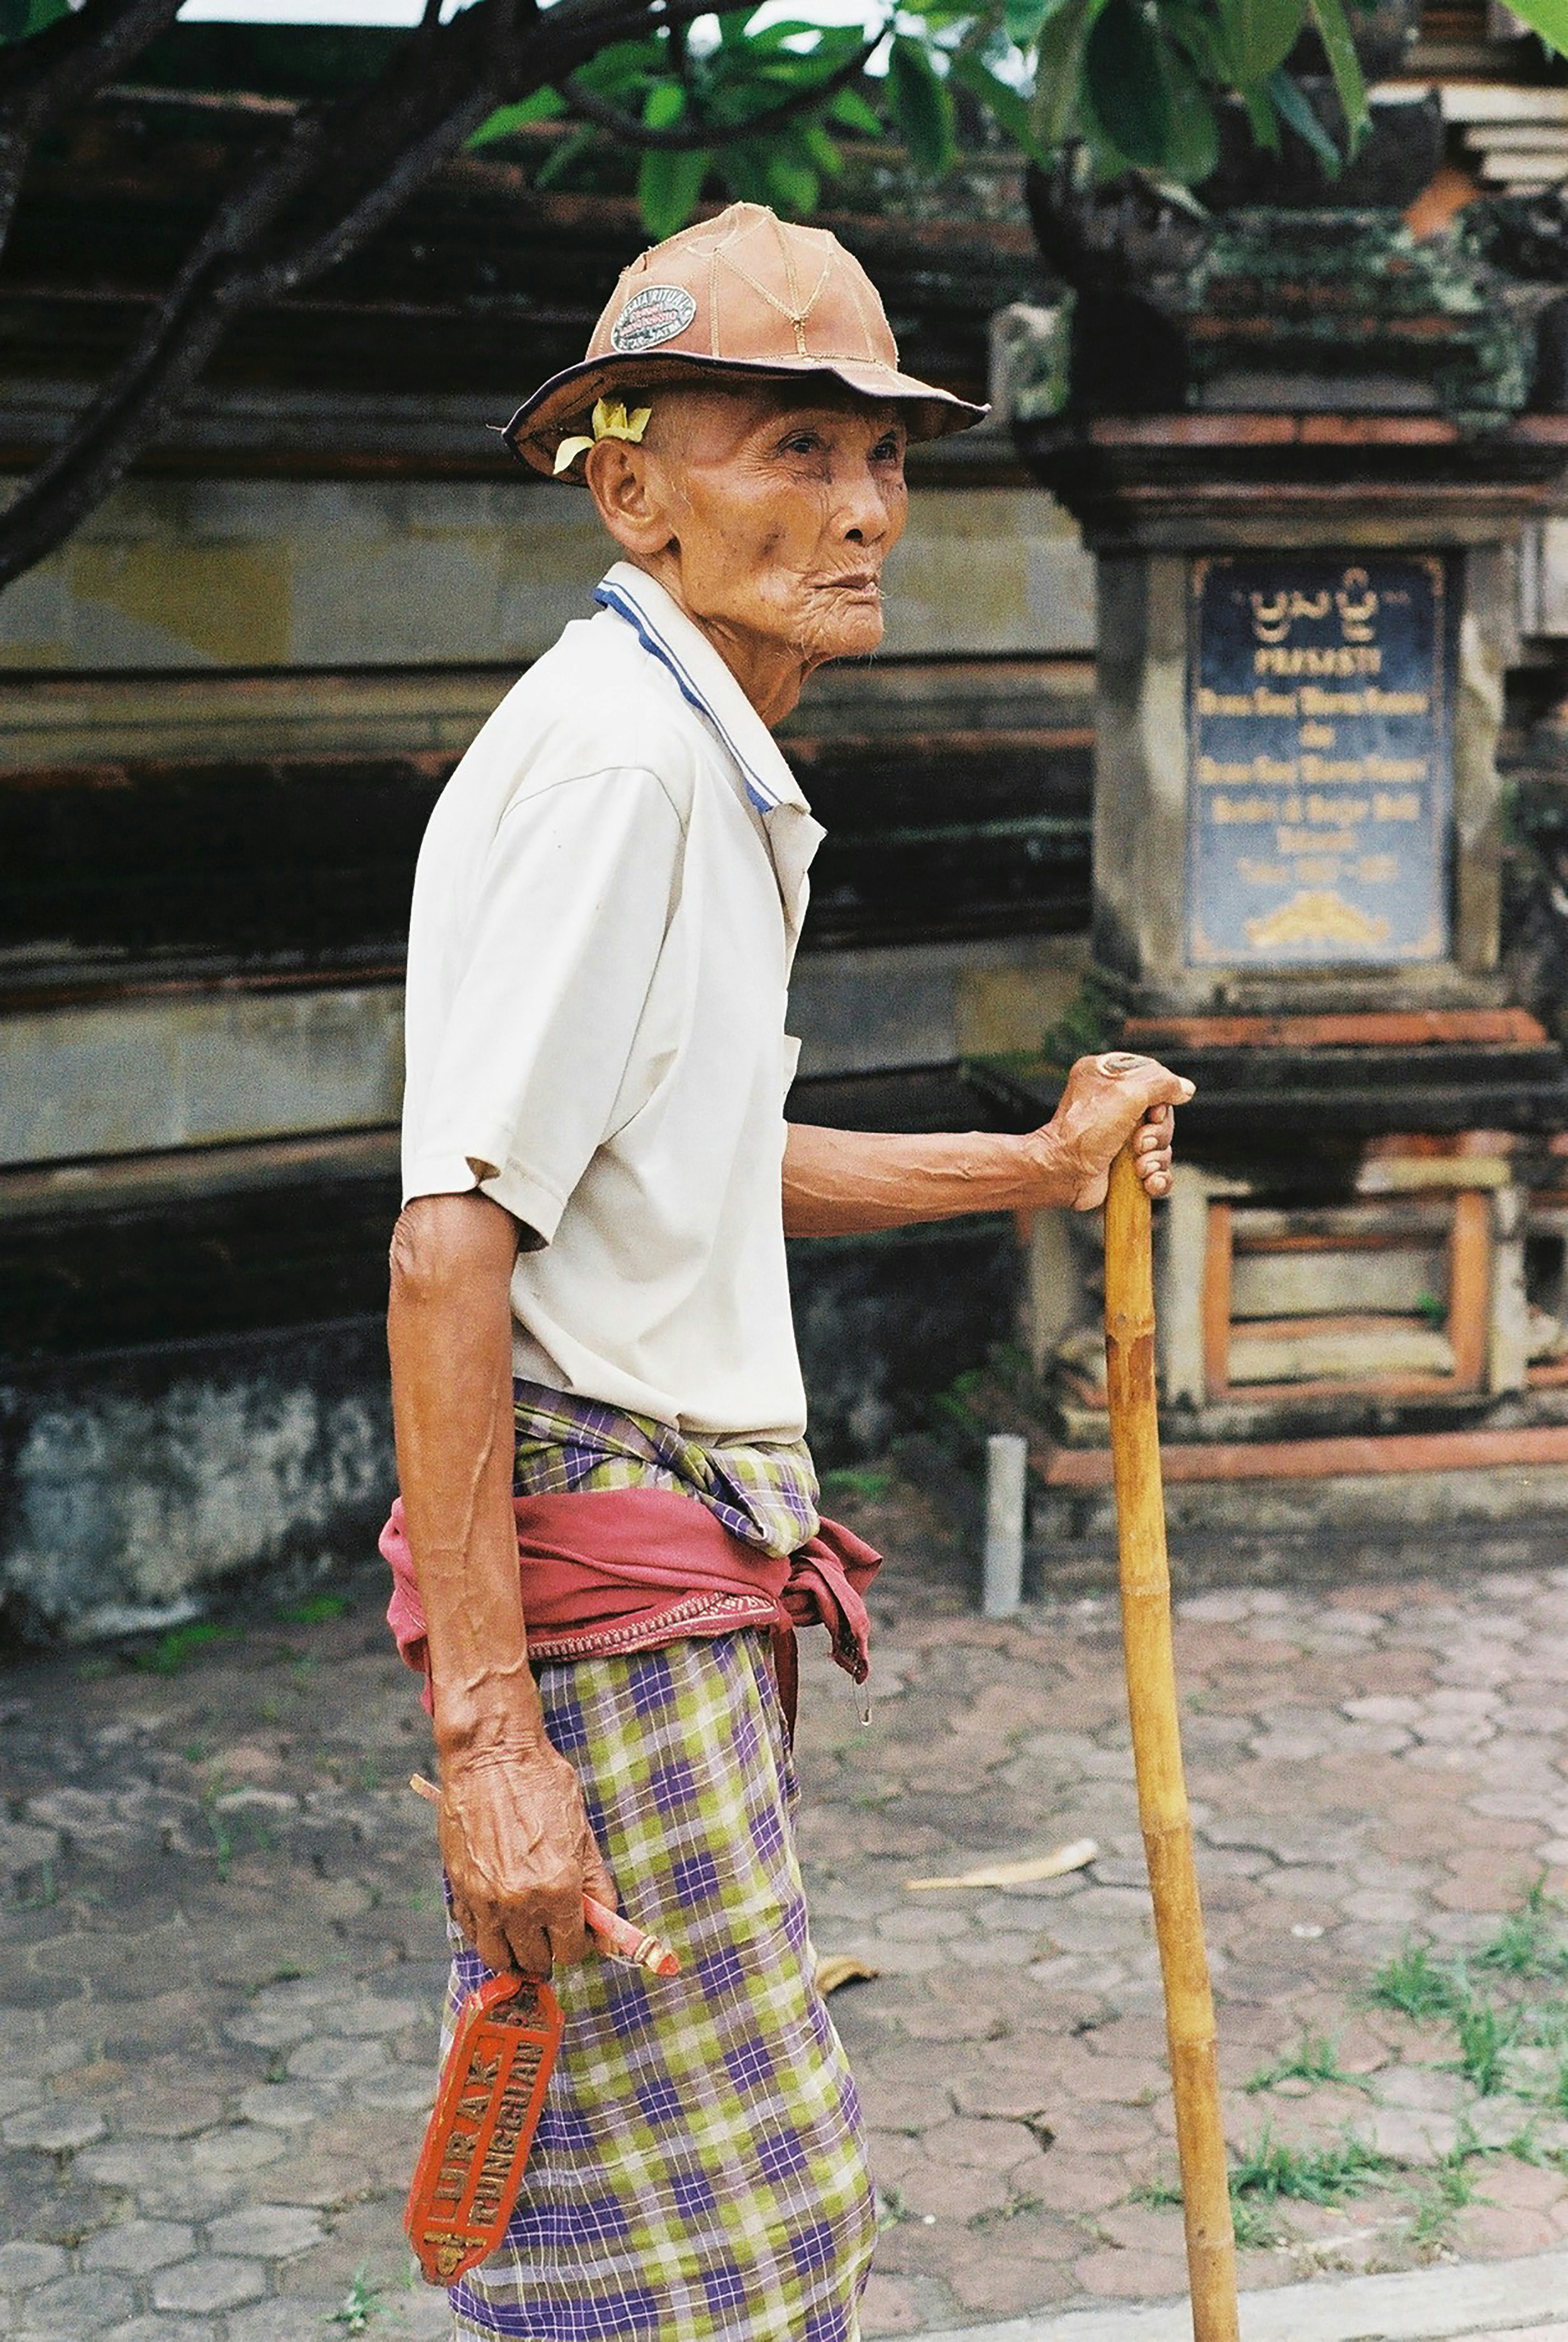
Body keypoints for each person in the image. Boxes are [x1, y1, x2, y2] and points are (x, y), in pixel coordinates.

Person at [381, 200, 1193, 2342]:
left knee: (687, 2220)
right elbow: (453, 1241)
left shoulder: (693, 747)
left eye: (885, 456)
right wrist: (491, 1741)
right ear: (626, 481)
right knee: (714, 2264)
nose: (865, 509)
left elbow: (700, 1164)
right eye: (791, 449)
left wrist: (1032, 1160)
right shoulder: (627, 769)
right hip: (607, 1573)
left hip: (671, 1561)